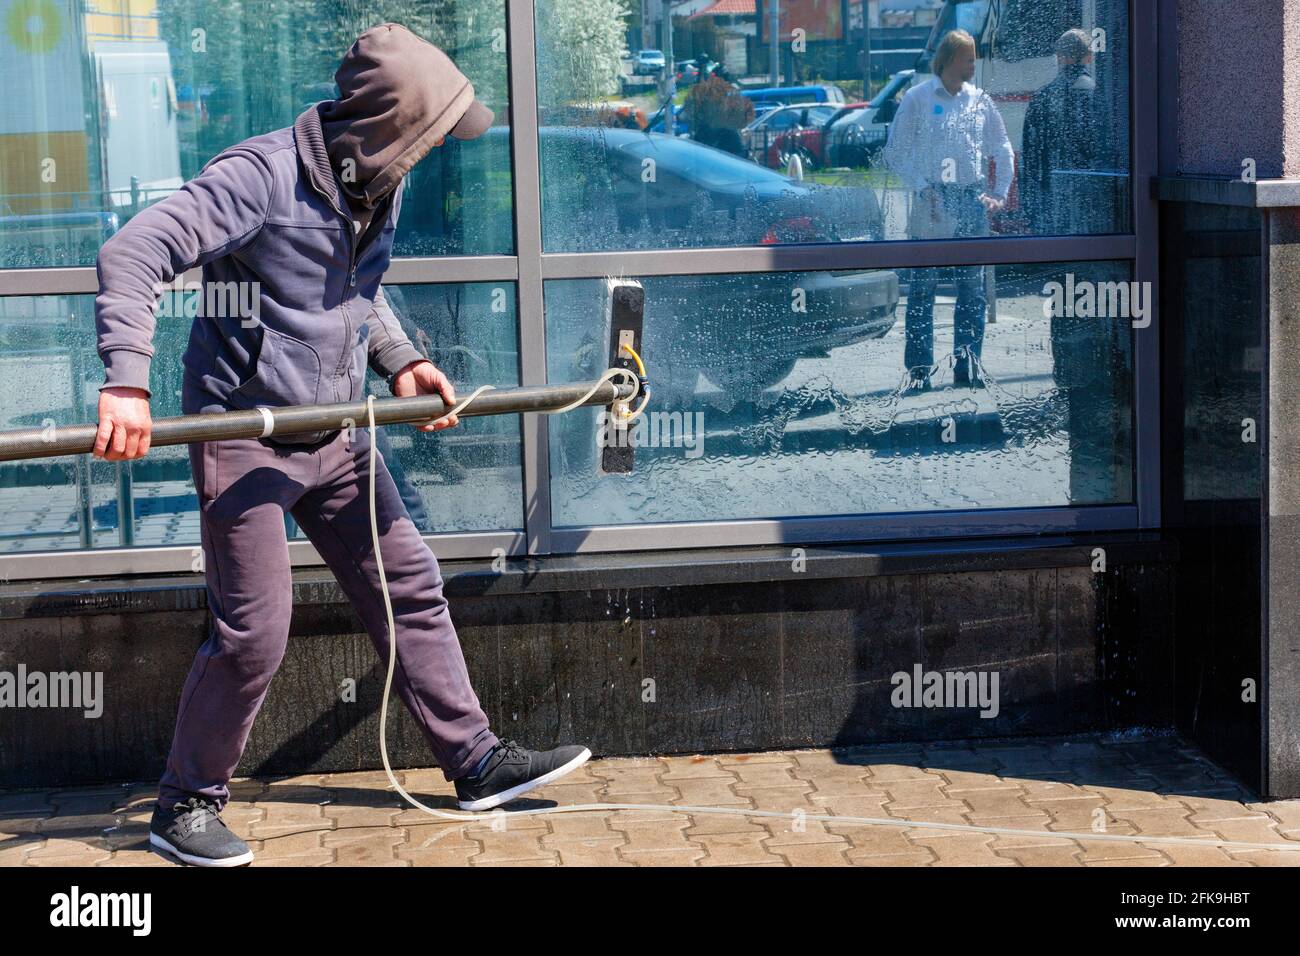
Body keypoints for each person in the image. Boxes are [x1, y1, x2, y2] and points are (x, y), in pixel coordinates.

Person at [92, 23, 591, 867]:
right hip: (242, 434)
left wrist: (402, 362)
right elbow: (134, 251)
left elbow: (356, 293)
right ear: (387, 125)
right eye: (428, 137)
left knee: (410, 587)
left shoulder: (373, 181)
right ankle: (183, 806)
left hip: (337, 432)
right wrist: (126, 381)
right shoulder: (257, 176)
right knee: (255, 633)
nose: (431, 156)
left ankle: (472, 761)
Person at [883, 29, 1014, 389]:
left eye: (974, 58)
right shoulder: (919, 98)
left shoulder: (979, 101)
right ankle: (920, 371)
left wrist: (998, 192)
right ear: (951, 59)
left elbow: (1002, 147)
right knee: (923, 286)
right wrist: (923, 189)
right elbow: (895, 151)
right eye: (969, 58)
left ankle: (967, 367)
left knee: (971, 290)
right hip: (933, 199)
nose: (974, 64)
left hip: (971, 198)